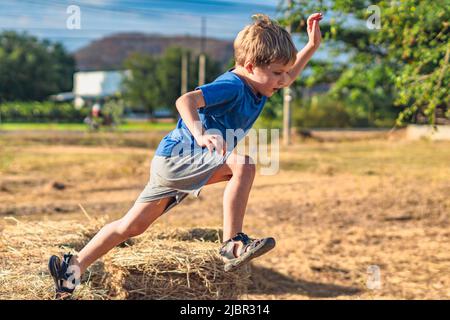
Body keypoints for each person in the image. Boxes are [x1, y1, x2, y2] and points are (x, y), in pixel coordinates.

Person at [48, 13, 323, 298]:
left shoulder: (258, 84)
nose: (283, 79)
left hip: (172, 162)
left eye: (284, 72)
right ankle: (232, 243)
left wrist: (312, 45)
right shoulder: (234, 85)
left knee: (132, 226)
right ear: (251, 66)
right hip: (180, 158)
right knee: (244, 165)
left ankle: (72, 268)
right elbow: (186, 100)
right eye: (277, 73)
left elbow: (289, 75)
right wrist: (201, 132)